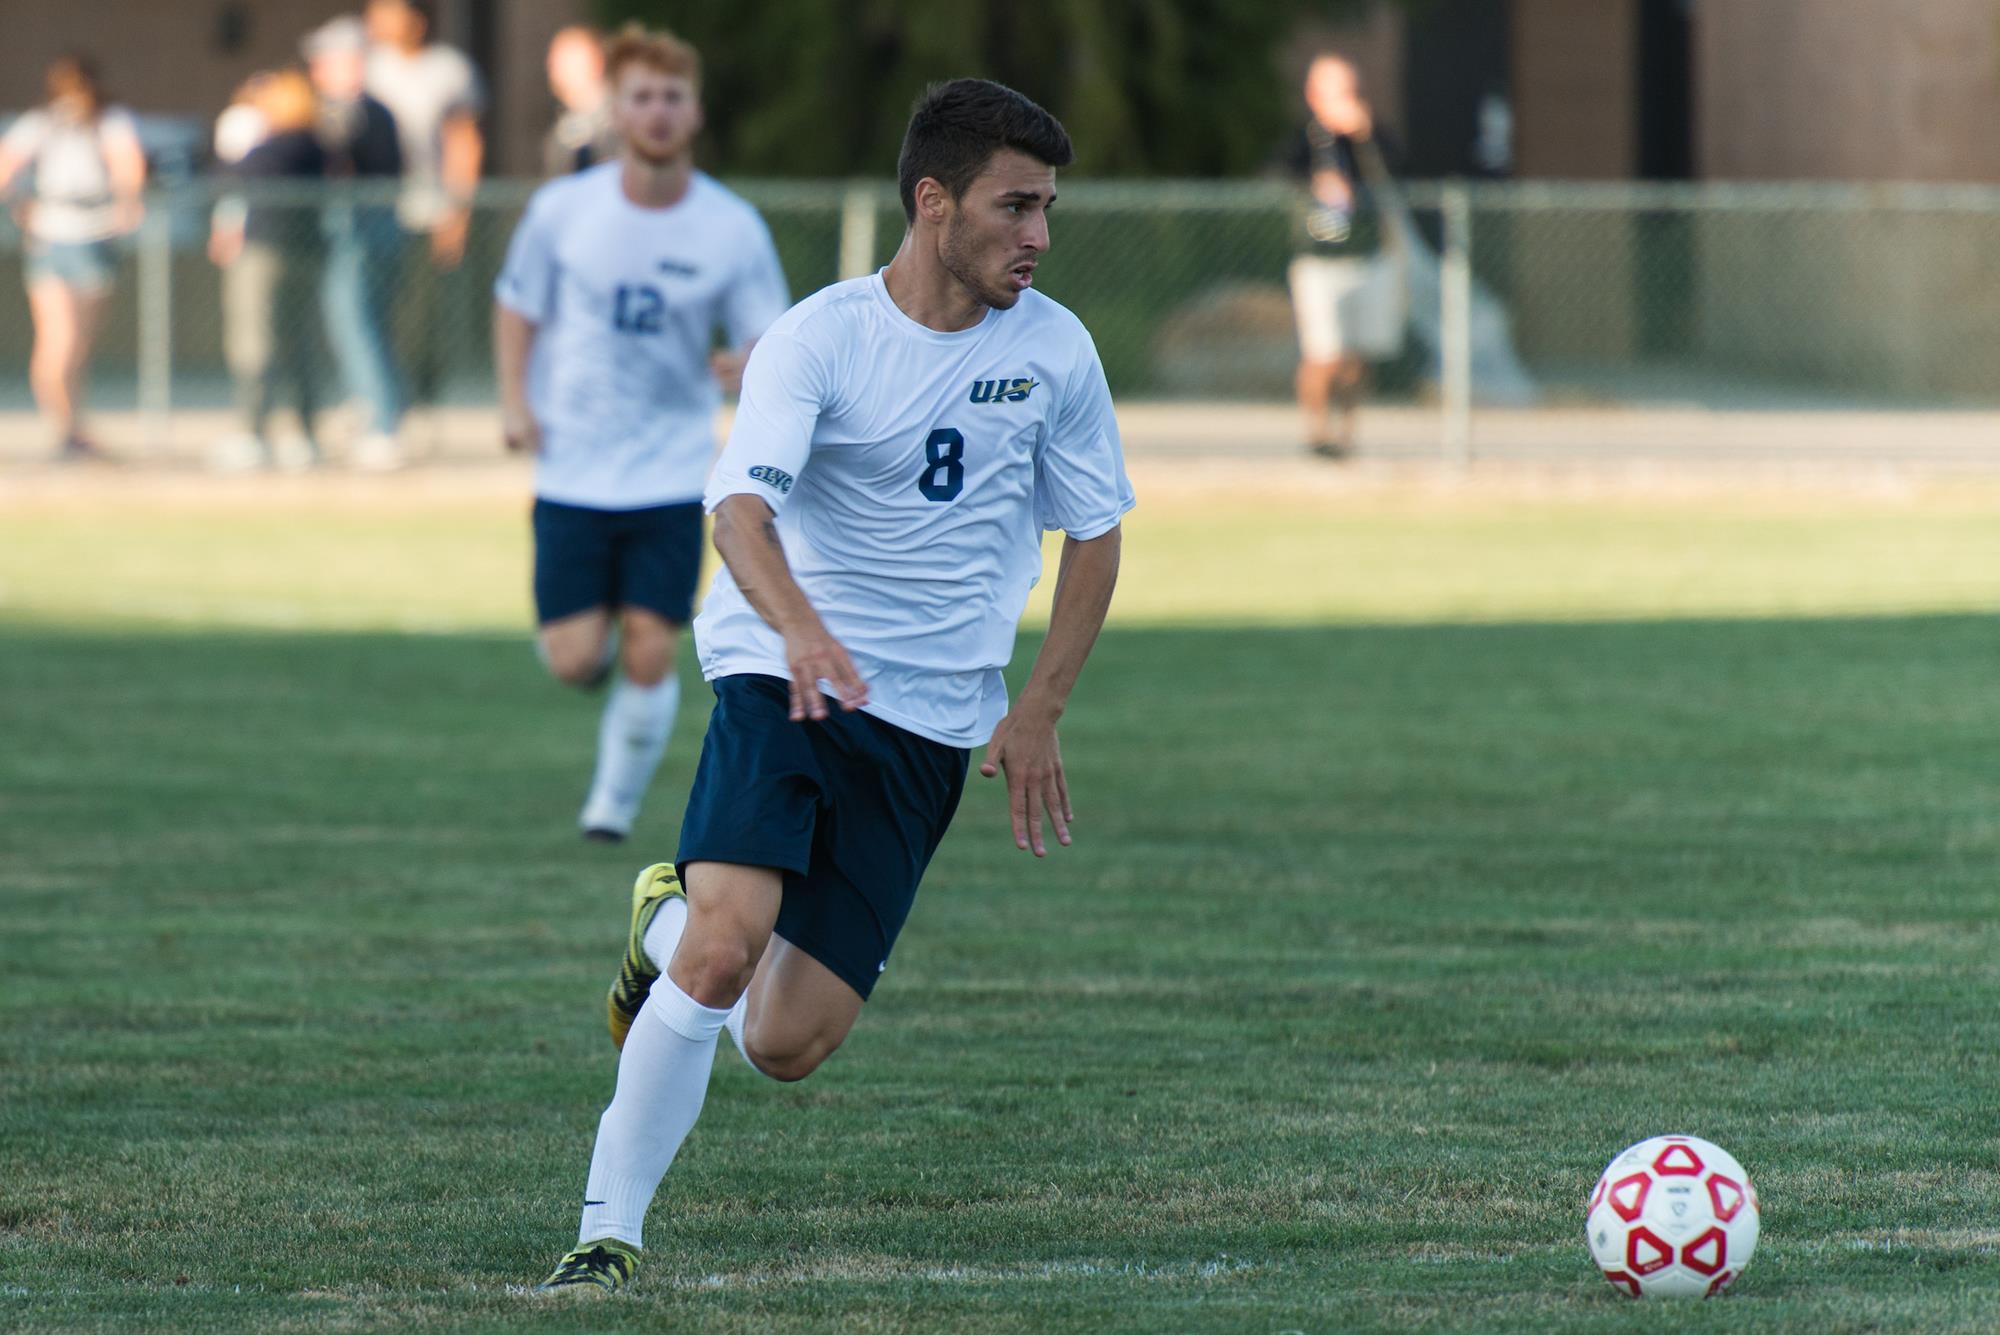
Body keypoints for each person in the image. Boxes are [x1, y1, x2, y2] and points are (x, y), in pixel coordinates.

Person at [534, 76, 1132, 1295]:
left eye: (1047, 209)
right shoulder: (820, 337)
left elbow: (1096, 531)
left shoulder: (1056, 349)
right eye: (1015, 207)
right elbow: (737, 510)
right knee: (725, 950)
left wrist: (1038, 708)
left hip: (930, 720)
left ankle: (660, 915)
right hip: (781, 676)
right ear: (933, 201)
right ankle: (606, 1234)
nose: (1038, 237)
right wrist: (799, 632)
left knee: (786, 1042)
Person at [492, 25, 789, 843]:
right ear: (615, 112)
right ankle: (589, 645)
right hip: (572, 469)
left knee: (653, 648)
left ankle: (609, 811)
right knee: (572, 658)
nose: (657, 113)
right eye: (642, 97)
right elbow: (517, 304)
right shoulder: (562, 210)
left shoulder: (731, 226)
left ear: (695, 112)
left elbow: (777, 335)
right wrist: (515, 401)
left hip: (670, 469)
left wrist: (751, 359)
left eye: (672, 97)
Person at [0, 54, 146, 463]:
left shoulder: (106, 120)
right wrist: (21, 205)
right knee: (60, 342)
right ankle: (66, 426)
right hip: (56, 235)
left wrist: (126, 204)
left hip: (91, 234)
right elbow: (6, 164)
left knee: (73, 345)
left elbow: (127, 166)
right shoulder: (45, 121)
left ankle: (72, 427)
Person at [364, 0, 485, 469]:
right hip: (375, 212)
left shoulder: (447, 70)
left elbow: (463, 139)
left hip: (427, 209)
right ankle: (380, 405)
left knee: (421, 318)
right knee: (373, 311)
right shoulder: (370, 68)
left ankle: (417, 405)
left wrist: (458, 212)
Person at [1285, 52, 1406, 460]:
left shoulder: (1370, 140)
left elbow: (1397, 172)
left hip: (1365, 257)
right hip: (1319, 260)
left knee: (1357, 355)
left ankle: (1347, 434)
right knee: (1323, 353)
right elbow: (1277, 174)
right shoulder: (1304, 141)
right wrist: (1314, 184)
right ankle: (1316, 433)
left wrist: (1365, 136)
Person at [207, 69, 329, 472]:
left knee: (259, 342)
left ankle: (260, 431)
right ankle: (292, 431)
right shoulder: (307, 143)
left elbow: (233, 174)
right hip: (292, 249)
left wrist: (236, 146)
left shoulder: (295, 142)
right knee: (286, 342)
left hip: (268, 250)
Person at [304, 15, 406, 468]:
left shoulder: (360, 111)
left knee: (357, 324)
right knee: (355, 325)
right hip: (358, 230)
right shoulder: (347, 108)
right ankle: (367, 413)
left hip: (364, 231)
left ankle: (382, 423)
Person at [542, 25, 617, 176]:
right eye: (554, 58)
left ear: (596, 62)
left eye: (565, 59)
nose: (552, 66)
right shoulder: (566, 126)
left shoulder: (619, 121)